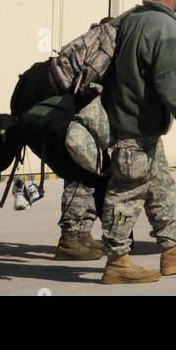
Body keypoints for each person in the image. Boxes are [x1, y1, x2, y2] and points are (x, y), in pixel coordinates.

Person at [100, 0, 176, 284]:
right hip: (134, 130)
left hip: (140, 128)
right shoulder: (166, 28)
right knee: (126, 194)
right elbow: (175, 83)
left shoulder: (132, 18)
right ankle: (117, 261)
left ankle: (171, 250)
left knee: (161, 188)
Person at [55, 16, 115, 262]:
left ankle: (83, 234)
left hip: (90, 129)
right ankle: (69, 239)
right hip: (82, 128)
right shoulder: (97, 59)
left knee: (89, 179)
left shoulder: (85, 54)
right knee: (78, 180)